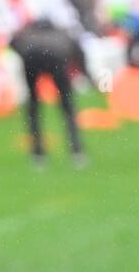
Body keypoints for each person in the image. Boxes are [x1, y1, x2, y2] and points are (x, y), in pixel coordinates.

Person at [9, 17, 91, 168]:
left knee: (33, 107)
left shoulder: (26, 34)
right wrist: (86, 75)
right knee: (67, 107)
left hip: (31, 59)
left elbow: (13, 44)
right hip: (57, 60)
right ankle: (77, 152)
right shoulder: (62, 34)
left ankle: (38, 154)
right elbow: (78, 52)